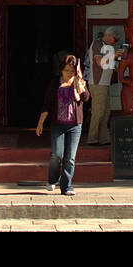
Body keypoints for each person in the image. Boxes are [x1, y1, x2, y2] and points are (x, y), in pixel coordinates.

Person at [35, 54, 91, 195]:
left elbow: (86, 98)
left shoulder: (79, 82)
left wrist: (80, 85)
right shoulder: (55, 84)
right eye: (67, 70)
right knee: (56, 154)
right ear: (61, 70)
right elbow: (46, 104)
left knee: (70, 157)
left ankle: (67, 186)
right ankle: (53, 179)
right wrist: (40, 123)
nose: (69, 74)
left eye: (72, 71)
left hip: (75, 125)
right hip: (58, 124)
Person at [83, 27, 123, 145]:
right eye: (115, 40)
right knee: (98, 111)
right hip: (97, 82)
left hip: (105, 83)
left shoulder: (109, 48)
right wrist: (115, 55)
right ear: (109, 35)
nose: (115, 42)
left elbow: (112, 65)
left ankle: (103, 138)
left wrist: (121, 59)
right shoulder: (97, 44)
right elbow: (99, 62)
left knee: (106, 112)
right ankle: (92, 138)